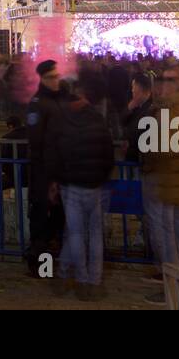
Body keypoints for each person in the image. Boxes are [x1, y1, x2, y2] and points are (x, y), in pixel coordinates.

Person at [47, 76, 116, 301]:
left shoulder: (64, 121)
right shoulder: (98, 119)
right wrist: (102, 176)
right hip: (95, 185)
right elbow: (108, 154)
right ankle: (93, 281)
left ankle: (80, 279)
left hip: (72, 185)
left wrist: (56, 181)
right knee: (94, 234)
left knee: (75, 234)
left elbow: (58, 154)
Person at [140, 64, 179, 303]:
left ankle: (173, 288)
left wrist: (148, 150)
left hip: (166, 180)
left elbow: (163, 148)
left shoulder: (170, 109)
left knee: (166, 235)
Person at [24, 59, 72, 277]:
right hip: (44, 173)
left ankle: (52, 263)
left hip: (60, 170)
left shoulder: (59, 99)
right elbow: (38, 143)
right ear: (42, 79)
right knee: (42, 222)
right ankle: (40, 268)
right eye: (52, 78)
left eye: (57, 77)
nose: (56, 81)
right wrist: (49, 177)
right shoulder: (37, 104)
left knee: (56, 220)